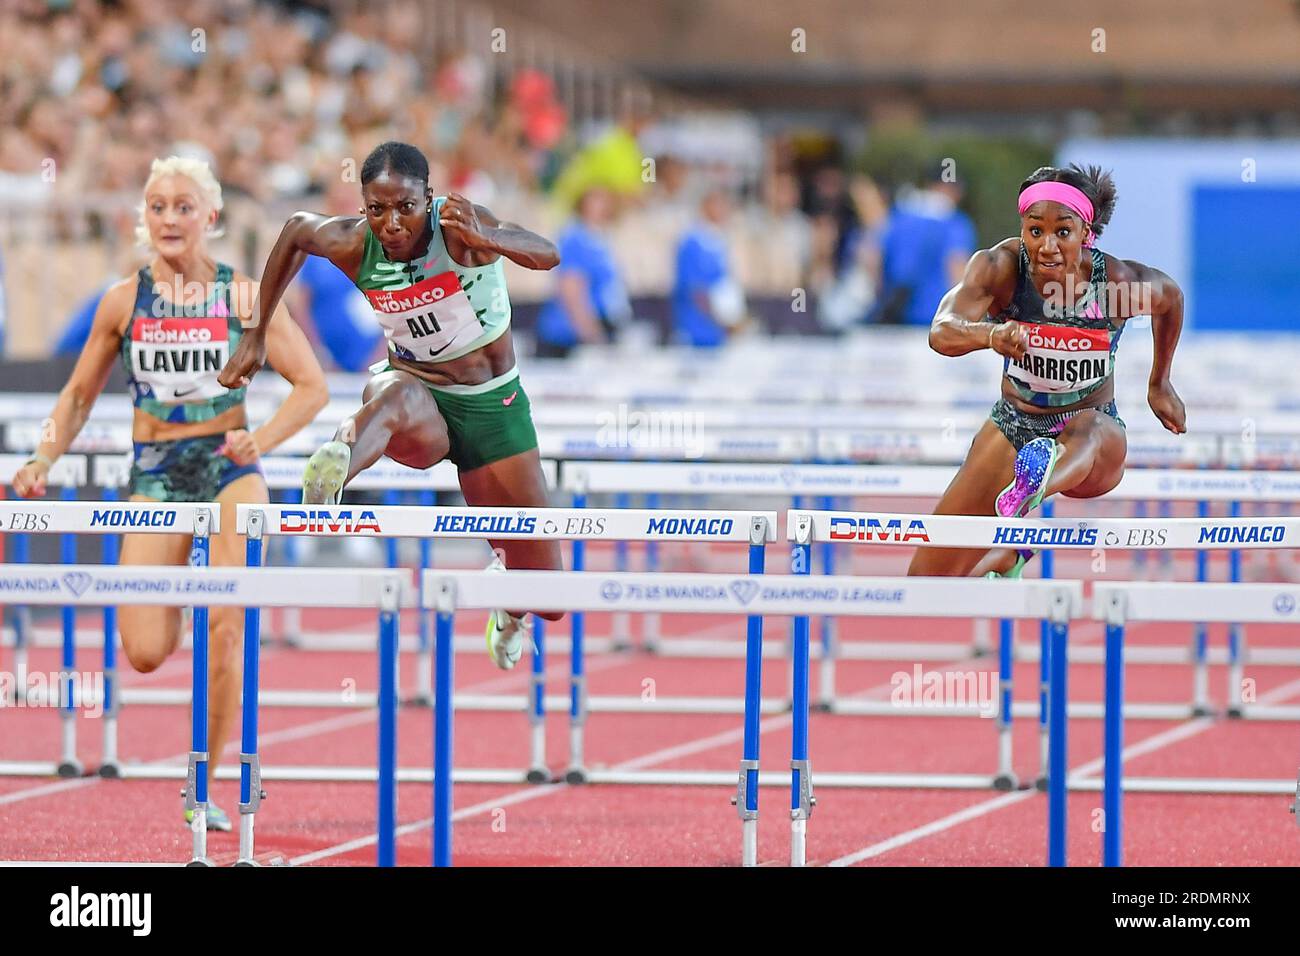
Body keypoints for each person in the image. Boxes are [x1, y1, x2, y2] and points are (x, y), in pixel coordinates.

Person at [12, 156, 328, 828]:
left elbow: (313, 386)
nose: (170, 219)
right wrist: (42, 456)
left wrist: (261, 441)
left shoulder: (245, 297)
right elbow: (75, 397)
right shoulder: (122, 301)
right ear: (143, 218)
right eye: (158, 207)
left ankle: (201, 784)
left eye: (184, 206)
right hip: (154, 472)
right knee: (146, 652)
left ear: (210, 217)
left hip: (227, 468)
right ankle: (180, 593)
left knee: (227, 627)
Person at [218, 141, 564, 670]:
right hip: (417, 395)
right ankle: (337, 462)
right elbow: (294, 231)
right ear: (364, 208)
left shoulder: (458, 228)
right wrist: (257, 332)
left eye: (405, 207)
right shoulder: (357, 244)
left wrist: (488, 237)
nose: (392, 223)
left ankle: (511, 609)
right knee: (394, 394)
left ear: (428, 198)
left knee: (551, 598)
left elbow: (546, 254)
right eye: (377, 209)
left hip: (493, 405)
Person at [908, 164, 1187, 578]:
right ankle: (1011, 546)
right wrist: (989, 335)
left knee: (1090, 428)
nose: (1047, 247)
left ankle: (1032, 487)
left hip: (1093, 442)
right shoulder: (999, 268)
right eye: (1035, 231)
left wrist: (1159, 382)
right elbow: (941, 331)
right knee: (926, 582)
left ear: (1086, 234)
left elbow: (1171, 299)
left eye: (1063, 232)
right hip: (1014, 425)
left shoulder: (1115, 284)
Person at [874, 165, 976, 326]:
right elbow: (956, 267)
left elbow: (875, 259)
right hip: (936, 320)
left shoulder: (899, 215)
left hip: (894, 318)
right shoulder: (955, 222)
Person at [535, 186, 631, 357]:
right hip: (570, 336)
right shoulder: (575, 237)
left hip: (602, 324)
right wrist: (591, 334)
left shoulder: (601, 237)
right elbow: (571, 288)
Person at [671, 187, 749, 347]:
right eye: (717, 204)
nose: (722, 210)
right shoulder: (692, 241)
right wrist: (723, 318)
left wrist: (734, 317)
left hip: (718, 331)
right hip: (696, 328)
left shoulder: (720, 240)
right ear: (705, 205)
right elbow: (693, 288)